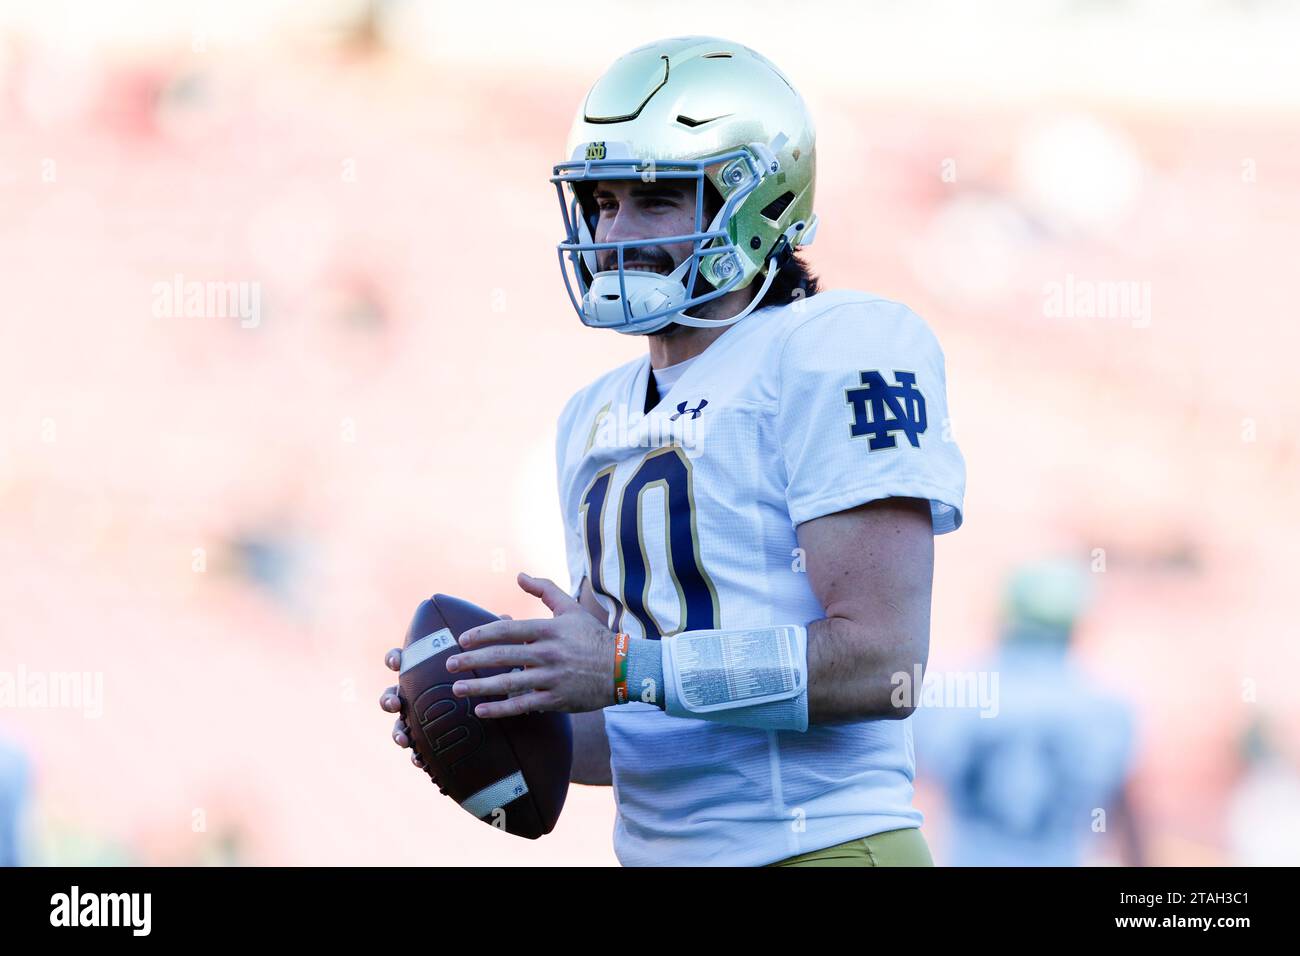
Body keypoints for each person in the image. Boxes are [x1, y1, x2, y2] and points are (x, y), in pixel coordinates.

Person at [381, 35, 965, 866]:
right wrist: (500, 707)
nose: (616, 232)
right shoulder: (590, 415)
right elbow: (642, 733)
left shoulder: (835, 347)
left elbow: (881, 664)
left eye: (655, 199)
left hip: (821, 848)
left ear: (756, 200)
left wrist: (626, 668)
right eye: (603, 202)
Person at [915, 559, 1144, 866]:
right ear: (1077, 622)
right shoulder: (1110, 707)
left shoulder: (947, 691)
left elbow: (899, 790)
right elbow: (1128, 821)